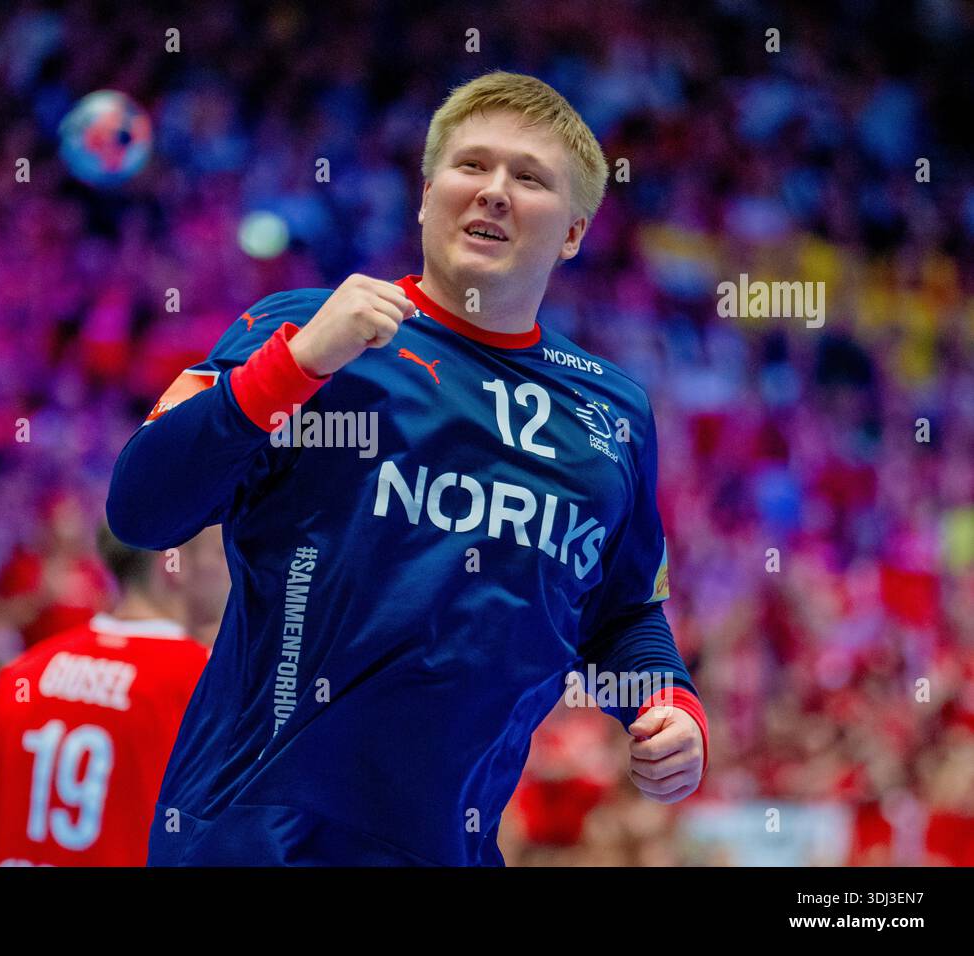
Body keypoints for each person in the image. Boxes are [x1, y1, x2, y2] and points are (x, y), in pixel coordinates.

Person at [107, 70, 709, 866]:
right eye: (472, 166)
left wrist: (665, 700)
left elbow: (622, 611)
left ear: (573, 232)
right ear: (426, 196)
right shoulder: (301, 330)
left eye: (529, 178)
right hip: (255, 838)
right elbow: (142, 509)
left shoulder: (616, 413)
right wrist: (300, 365)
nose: (494, 191)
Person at [0, 525, 215, 866]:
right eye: (221, 551)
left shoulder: (20, 674)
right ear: (174, 564)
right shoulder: (208, 682)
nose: (237, 565)